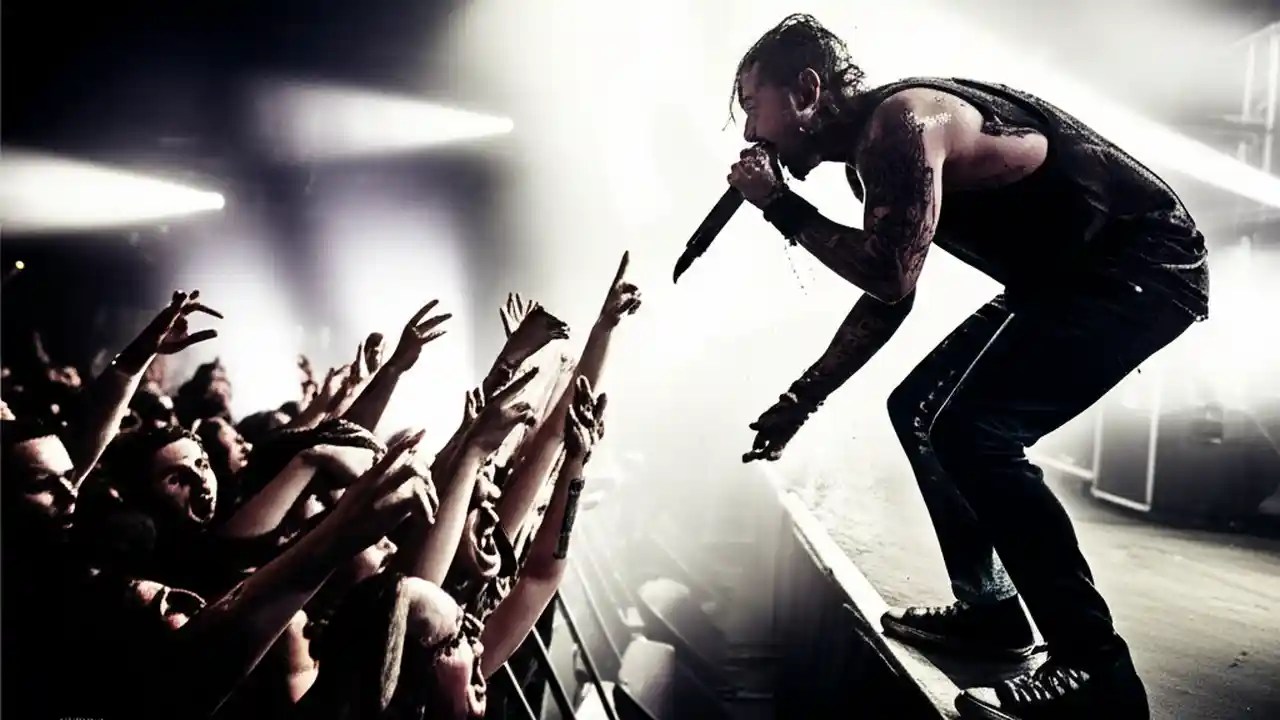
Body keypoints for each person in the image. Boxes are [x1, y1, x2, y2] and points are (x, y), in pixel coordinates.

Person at [729, 13, 1209, 720]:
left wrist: (779, 205)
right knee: (918, 410)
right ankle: (991, 609)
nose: (749, 135)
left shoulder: (902, 124)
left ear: (805, 90)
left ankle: (1093, 664)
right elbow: (891, 294)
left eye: (752, 109)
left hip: (1140, 267)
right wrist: (804, 398)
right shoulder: (878, 155)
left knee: (972, 430)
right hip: (1066, 280)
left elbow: (888, 275)